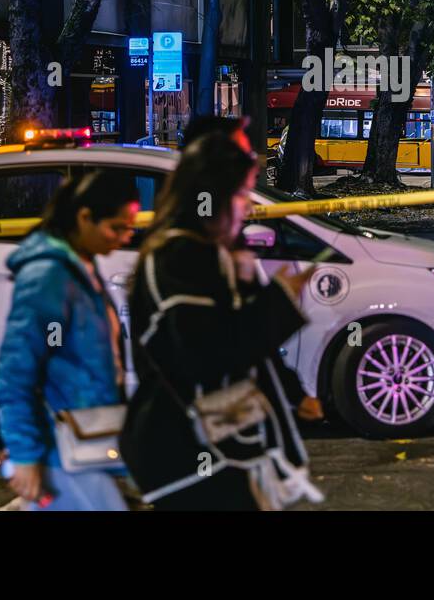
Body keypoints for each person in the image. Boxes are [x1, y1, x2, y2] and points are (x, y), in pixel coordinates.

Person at [121, 122, 321, 510]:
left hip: (216, 445)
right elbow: (208, 354)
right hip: (186, 448)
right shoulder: (180, 257)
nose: (247, 207)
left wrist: (293, 392)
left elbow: (247, 350)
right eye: (242, 194)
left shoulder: (210, 252)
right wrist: (278, 300)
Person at [0, 169, 140, 511]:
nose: (124, 238)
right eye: (117, 227)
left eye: (129, 227)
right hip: (63, 450)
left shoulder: (78, 267)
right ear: (84, 217)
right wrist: (25, 454)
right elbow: (14, 374)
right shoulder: (49, 276)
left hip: (80, 444)